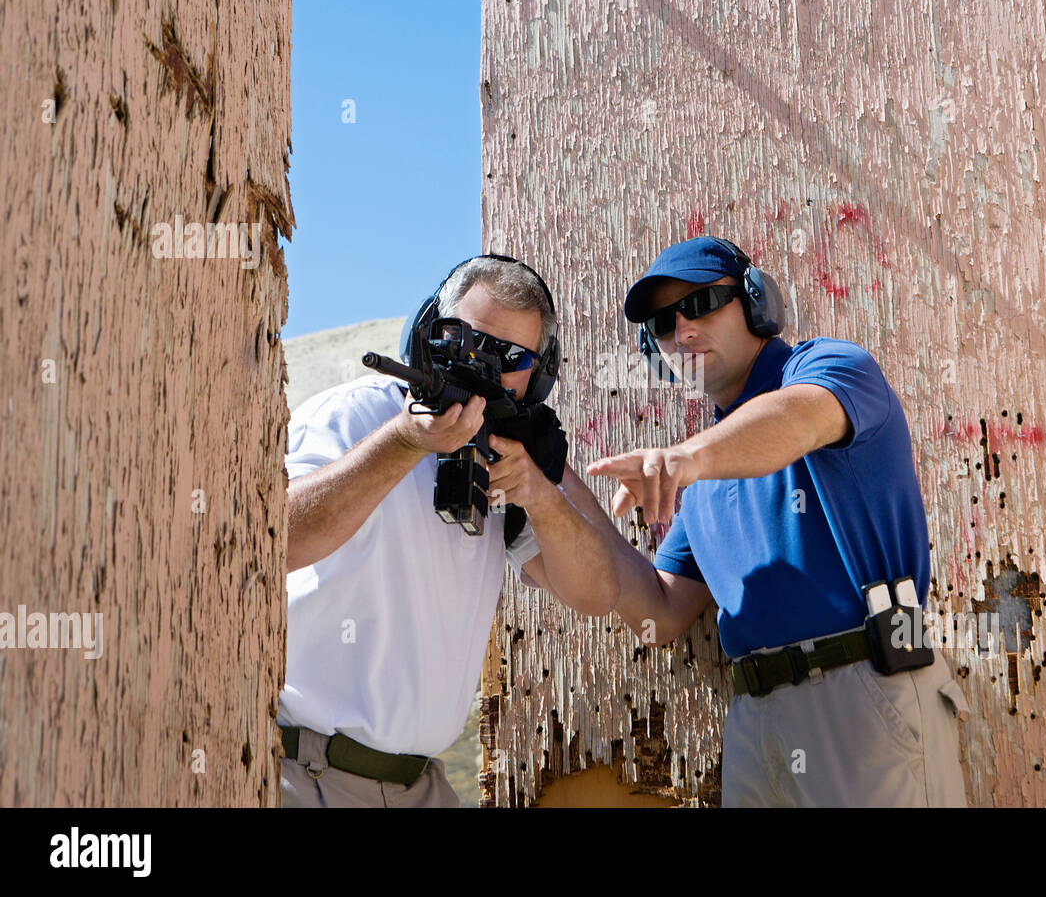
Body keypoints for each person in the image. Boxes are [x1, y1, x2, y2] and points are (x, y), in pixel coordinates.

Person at [585, 235, 971, 807]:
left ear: (755, 300)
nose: (682, 332)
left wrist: (685, 460)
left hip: (865, 686)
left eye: (699, 304)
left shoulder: (829, 367)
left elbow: (798, 419)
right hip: (754, 716)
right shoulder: (701, 471)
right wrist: (555, 505)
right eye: (663, 325)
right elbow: (662, 613)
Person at [279, 254, 620, 807]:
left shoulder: (506, 459)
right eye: (467, 340)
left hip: (421, 786)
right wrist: (405, 443)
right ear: (428, 331)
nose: (483, 365)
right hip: (309, 772)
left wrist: (538, 494)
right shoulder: (356, 417)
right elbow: (277, 542)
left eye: (510, 357)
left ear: (540, 374)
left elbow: (598, 593)